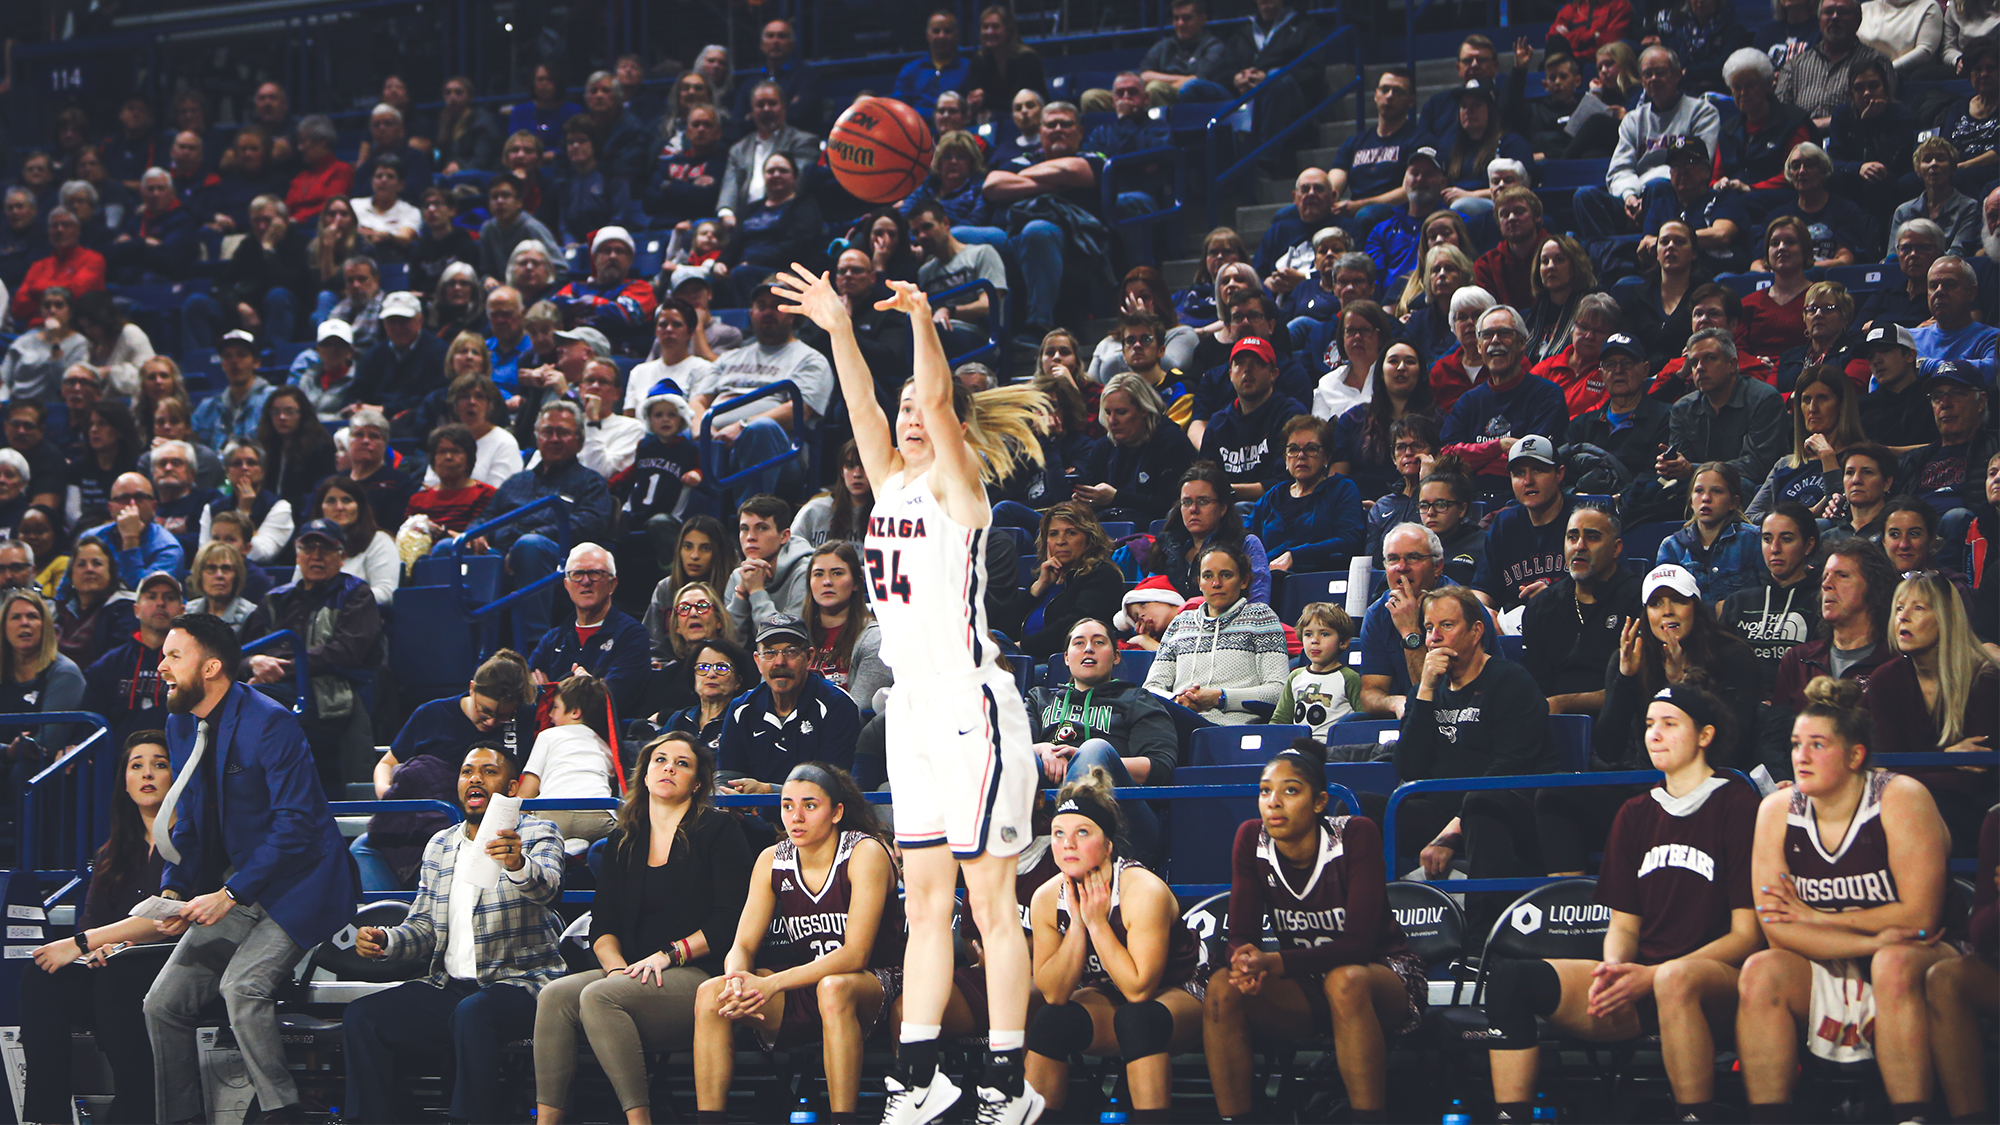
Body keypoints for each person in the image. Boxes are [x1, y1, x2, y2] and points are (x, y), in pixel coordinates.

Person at [771, 264, 1049, 1121]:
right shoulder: (888, 485)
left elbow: (930, 394)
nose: (906, 419)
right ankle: (921, 1069)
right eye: (901, 416)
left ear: (951, 427)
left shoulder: (960, 493)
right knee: (924, 901)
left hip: (973, 705)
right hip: (912, 710)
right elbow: (864, 403)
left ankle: (1011, 1078)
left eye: (922, 413)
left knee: (990, 900)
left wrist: (926, 323)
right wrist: (838, 326)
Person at [1498, 684, 1764, 1124]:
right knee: (1513, 979)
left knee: (1675, 980)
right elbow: (1623, 925)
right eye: (1648, 725)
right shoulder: (1636, 812)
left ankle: (1694, 1116)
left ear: (1705, 735)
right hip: (1643, 978)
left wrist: (1653, 976)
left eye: (1669, 724)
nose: (1654, 735)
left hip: (1716, 982)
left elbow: (1746, 934)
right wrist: (1614, 970)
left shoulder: (1736, 803)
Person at [142, 610, 356, 1124]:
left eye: (174, 656)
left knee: (241, 989)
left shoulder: (271, 722)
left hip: (303, 883)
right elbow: (189, 819)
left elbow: (297, 826)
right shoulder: (178, 722)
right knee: (162, 1004)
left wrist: (231, 893)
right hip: (241, 884)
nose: (161, 667)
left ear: (211, 667)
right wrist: (173, 889)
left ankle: (282, 1113)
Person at [1735, 676, 1954, 1120]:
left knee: (1893, 964)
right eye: (1796, 744)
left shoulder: (1899, 797)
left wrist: (1812, 918)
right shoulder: (1776, 811)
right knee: (1761, 970)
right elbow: (1778, 932)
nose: (1801, 756)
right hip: (1849, 953)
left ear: (1855, 755)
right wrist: (1870, 940)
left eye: (1818, 744)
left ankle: (1912, 1115)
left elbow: (1921, 920)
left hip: (1923, 957)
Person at [532, 729, 751, 1122]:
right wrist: (616, 967)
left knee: (599, 997)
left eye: (682, 763)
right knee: (555, 996)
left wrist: (669, 955)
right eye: (660, 760)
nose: (669, 768)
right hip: (633, 972)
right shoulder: (624, 838)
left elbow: (731, 920)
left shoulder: (719, 831)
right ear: (645, 775)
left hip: (698, 974)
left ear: (697, 782)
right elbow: (603, 925)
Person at [342, 744, 563, 1125]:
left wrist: (517, 863)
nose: (474, 778)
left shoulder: (538, 832)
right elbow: (424, 926)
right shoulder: (441, 845)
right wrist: (386, 940)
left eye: (488, 771)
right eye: (466, 772)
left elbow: (547, 888)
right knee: (364, 1017)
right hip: (452, 987)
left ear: (512, 788)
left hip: (522, 983)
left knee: (472, 1014)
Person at [692, 762, 904, 1123]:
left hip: (877, 985)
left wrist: (770, 983)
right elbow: (742, 945)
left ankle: (843, 1119)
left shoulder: (865, 852)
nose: (796, 817)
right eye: (787, 806)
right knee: (712, 994)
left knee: (834, 989)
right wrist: (737, 980)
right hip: (807, 984)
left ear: (837, 811)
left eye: (810, 805)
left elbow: (856, 954)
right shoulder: (772, 859)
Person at [1024, 770, 1204, 1124]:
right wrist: (1077, 924)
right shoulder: (1046, 898)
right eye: (1058, 834)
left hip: (1183, 991)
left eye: (1082, 833)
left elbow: (1139, 989)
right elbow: (1053, 993)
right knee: (1050, 1021)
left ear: (1108, 845)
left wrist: (1096, 922)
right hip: (1110, 996)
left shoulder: (1142, 891)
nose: (1067, 845)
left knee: (1138, 1019)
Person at [18, 729, 175, 1125]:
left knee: (115, 976)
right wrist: (93, 947)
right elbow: (91, 919)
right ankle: (46, 1115)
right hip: (110, 967)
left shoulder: (191, 842)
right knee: (40, 975)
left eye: (159, 764)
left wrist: (99, 943)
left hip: (170, 965)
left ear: (178, 777)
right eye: (136, 766)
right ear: (124, 781)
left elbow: (167, 919)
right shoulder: (112, 852)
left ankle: (134, 1103)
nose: (147, 774)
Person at [1392, 585, 1555, 892]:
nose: (1434, 637)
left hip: (1507, 810)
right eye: (1428, 628)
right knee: (1367, 811)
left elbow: (1511, 767)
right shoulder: (1424, 692)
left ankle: (1483, 935)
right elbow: (1408, 768)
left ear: (1477, 631)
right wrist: (1425, 691)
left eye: (1447, 626)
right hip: (1443, 809)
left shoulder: (1511, 682)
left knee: (1481, 805)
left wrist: (1453, 831)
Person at [1864, 572, 1997, 853]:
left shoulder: (1984, 680)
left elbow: (1973, 779)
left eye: (1919, 608)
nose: (1903, 617)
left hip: (1971, 812)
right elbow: (1883, 771)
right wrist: (1946, 759)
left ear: (1946, 619)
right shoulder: (1884, 680)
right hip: (1905, 804)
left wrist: (1905, 772)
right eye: (1899, 608)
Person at [1760, 538, 1899, 781]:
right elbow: (1776, 739)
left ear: (1874, 589)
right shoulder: (1798, 659)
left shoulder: (1893, 664)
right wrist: (1782, 780)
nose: (1826, 584)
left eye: (1842, 575)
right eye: (1825, 576)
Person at [978, 99, 1106, 339]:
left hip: (1071, 237)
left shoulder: (1093, 157)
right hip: (1012, 234)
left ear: (1079, 131)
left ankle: (1040, 326)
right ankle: (961, 323)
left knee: (1036, 231)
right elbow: (992, 184)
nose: (1057, 129)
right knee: (958, 236)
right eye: (1051, 125)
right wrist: (1049, 183)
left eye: (1065, 124)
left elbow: (1069, 171)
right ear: (1040, 132)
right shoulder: (1025, 158)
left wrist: (1020, 180)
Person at [1573, 46, 1723, 240]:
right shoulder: (1634, 119)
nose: (1653, 79)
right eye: (1647, 74)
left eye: (1660, 73)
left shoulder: (1702, 112)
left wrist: (1650, 197)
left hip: (1677, 196)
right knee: (1584, 196)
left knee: (1658, 188)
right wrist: (1630, 197)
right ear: (1642, 80)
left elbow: (1699, 164)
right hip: (1636, 196)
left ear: (1678, 75)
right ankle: (1610, 256)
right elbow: (1619, 169)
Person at [1141, 541, 1290, 730]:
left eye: (1226, 575)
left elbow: (1278, 691)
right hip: (1176, 723)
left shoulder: (1261, 618)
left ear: (1243, 581)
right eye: (1207, 576)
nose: (1216, 583)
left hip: (1230, 729)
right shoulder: (1181, 623)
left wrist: (1219, 697)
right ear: (1199, 583)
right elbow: (1151, 688)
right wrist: (1178, 700)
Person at [1521, 505, 1641, 717]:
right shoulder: (1542, 605)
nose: (1580, 546)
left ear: (1616, 548)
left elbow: (1636, 686)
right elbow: (1535, 685)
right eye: (1572, 537)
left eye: (1593, 537)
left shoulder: (1638, 599)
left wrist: (1565, 704)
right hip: (1552, 725)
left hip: (1621, 723)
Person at [1440, 306, 1569, 500]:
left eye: (1504, 333)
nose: (1494, 341)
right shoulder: (1468, 401)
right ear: (1478, 346)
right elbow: (1446, 458)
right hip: (1470, 502)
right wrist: (1500, 446)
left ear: (1522, 342)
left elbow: (1533, 460)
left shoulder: (1548, 395)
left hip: (1523, 502)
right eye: (1487, 335)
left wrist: (1474, 465)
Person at [529, 543, 652, 721]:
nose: (585, 581)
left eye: (595, 573)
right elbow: (527, 690)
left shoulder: (632, 635)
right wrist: (589, 689)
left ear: (612, 584)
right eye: (577, 574)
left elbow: (611, 700)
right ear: (567, 584)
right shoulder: (552, 639)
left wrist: (549, 692)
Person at [1661, 329, 1789, 492]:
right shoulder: (1682, 408)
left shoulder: (1764, 400)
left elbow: (1758, 466)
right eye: (1694, 363)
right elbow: (1683, 464)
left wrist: (1692, 469)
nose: (1699, 368)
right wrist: (1672, 466)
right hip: (1697, 489)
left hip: (1754, 489)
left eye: (1710, 358)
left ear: (1732, 364)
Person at [1719, 503, 1825, 689]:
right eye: (1767, 539)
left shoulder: (1821, 603)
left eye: (1786, 539)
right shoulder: (1738, 603)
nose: (1774, 548)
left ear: (1808, 545)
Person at [1143, 462, 1273, 604]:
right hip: (1173, 625)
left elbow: (1259, 605)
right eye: (1186, 502)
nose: (1193, 509)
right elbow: (1148, 597)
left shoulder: (1246, 543)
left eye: (1203, 501)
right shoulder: (1166, 547)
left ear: (1223, 508)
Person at [1749, 366, 1862, 521]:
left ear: (1842, 404)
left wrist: (1828, 458)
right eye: (1806, 400)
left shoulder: (1860, 460)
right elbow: (1749, 517)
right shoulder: (1785, 465)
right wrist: (1804, 516)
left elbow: (1841, 515)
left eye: (1823, 398)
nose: (1812, 408)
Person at [1898, 362, 1996, 526]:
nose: (1945, 403)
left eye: (1957, 393)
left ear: (1981, 401)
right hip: (1914, 537)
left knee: (1956, 518)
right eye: (1937, 396)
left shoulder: (1995, 446)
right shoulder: (1912, 461)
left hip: (1973, 537)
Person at [1657, 461, 1765, 604]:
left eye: (1717, 491)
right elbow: (1663, 603)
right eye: (1699, 491)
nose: (1706, 498)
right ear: (1690, 501)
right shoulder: (1671, 547)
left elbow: (1771, 596)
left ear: (1733, 502)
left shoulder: (1753, 540)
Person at [306, 475, 398, 606]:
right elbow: (299, 587)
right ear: (321, 508)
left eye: (346, 500)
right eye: (331, 501)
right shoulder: (309, 543)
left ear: (359, 507)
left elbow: (386, 593)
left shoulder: (379, 540)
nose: (339, 507)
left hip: (359, 619)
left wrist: (338, 600)